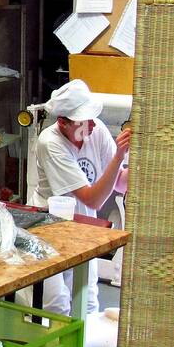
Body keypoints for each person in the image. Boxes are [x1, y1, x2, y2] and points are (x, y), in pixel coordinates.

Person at [31, 80, 130, 316]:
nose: (92, 124)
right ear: (63, 123)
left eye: (91, 117)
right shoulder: (50, 143)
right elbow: (92, 199)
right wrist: (118, 157)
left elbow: (118, 181)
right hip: (49, 229)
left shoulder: (95, 129)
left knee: (87, 302)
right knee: (56, 305)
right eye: (83, 120)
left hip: (83, 227)